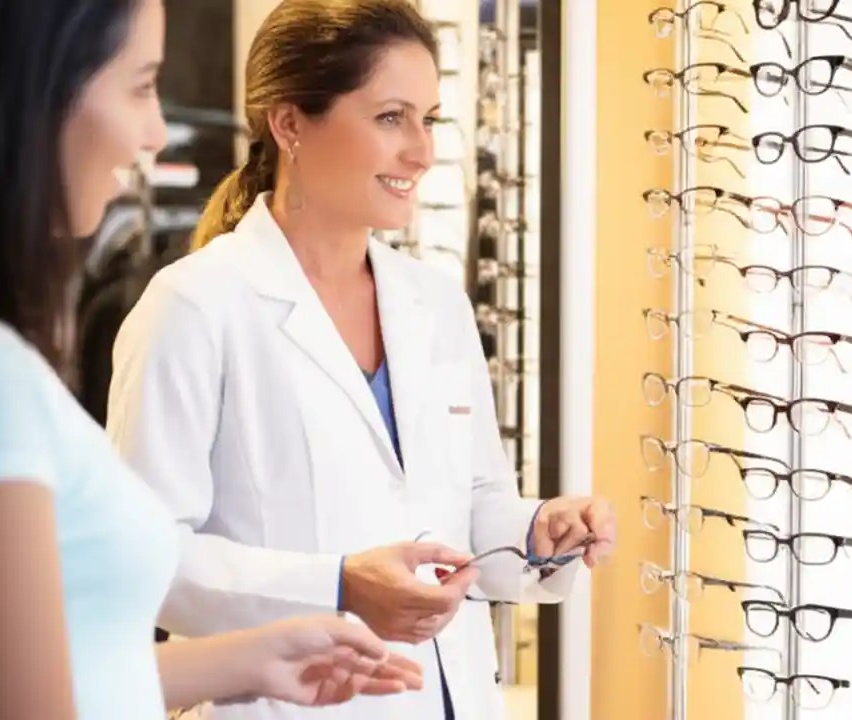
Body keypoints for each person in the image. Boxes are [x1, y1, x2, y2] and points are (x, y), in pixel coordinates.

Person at [105, 0, 618, 718]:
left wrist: (536, 532)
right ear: (290, 124)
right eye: (391, 118)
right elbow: (144, 560)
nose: (422, 151)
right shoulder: (193, 308)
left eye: (429, 119)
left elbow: (470, 508)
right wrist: (339, 584)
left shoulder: (436, 304)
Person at [0, 1, 425, 718]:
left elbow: (42, 668)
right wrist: (330, 587)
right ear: (36, 86)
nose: (156, 131)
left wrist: (249, 658)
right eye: (141, 85)